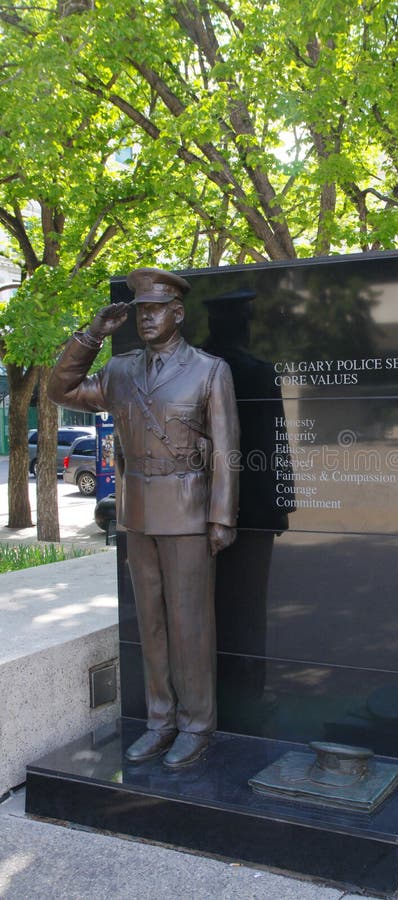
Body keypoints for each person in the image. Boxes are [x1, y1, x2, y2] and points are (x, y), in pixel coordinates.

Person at [48, 267, 239, 768]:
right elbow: (60, 390)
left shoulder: (208, 370)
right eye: (140, 312)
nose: (146, 320)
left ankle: (196, 725)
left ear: (177, 313)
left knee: (190, 624)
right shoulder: (120, 371)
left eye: (155, 311)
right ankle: (160, 721)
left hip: (188, 510)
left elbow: (227, 450)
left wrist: (222, 517)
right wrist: (91, 336)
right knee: (149, 624)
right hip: (137, 514)